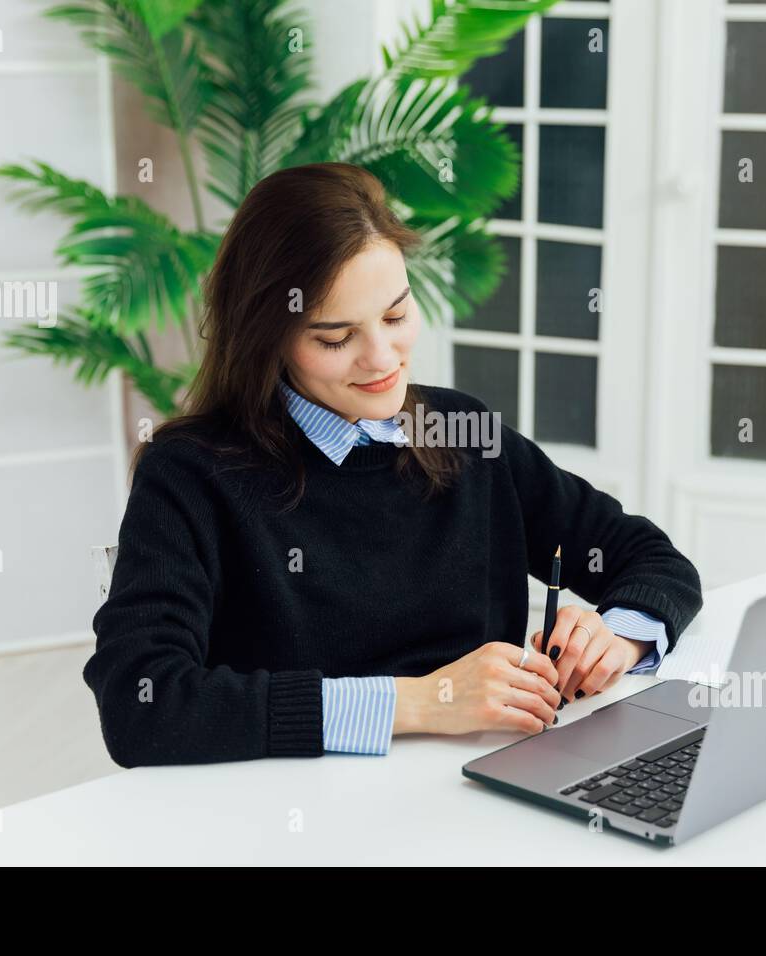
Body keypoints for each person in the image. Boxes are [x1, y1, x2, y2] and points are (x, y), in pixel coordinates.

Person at [83, 162, 702, 767]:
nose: (382, 359)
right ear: (268, 337)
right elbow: (143, 702)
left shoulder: (462, 431)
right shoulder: (191, 474)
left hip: (487, 791)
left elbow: (650, 559)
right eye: (335, 337)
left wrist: (616, 637)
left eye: (396, 316)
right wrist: (421, 702)